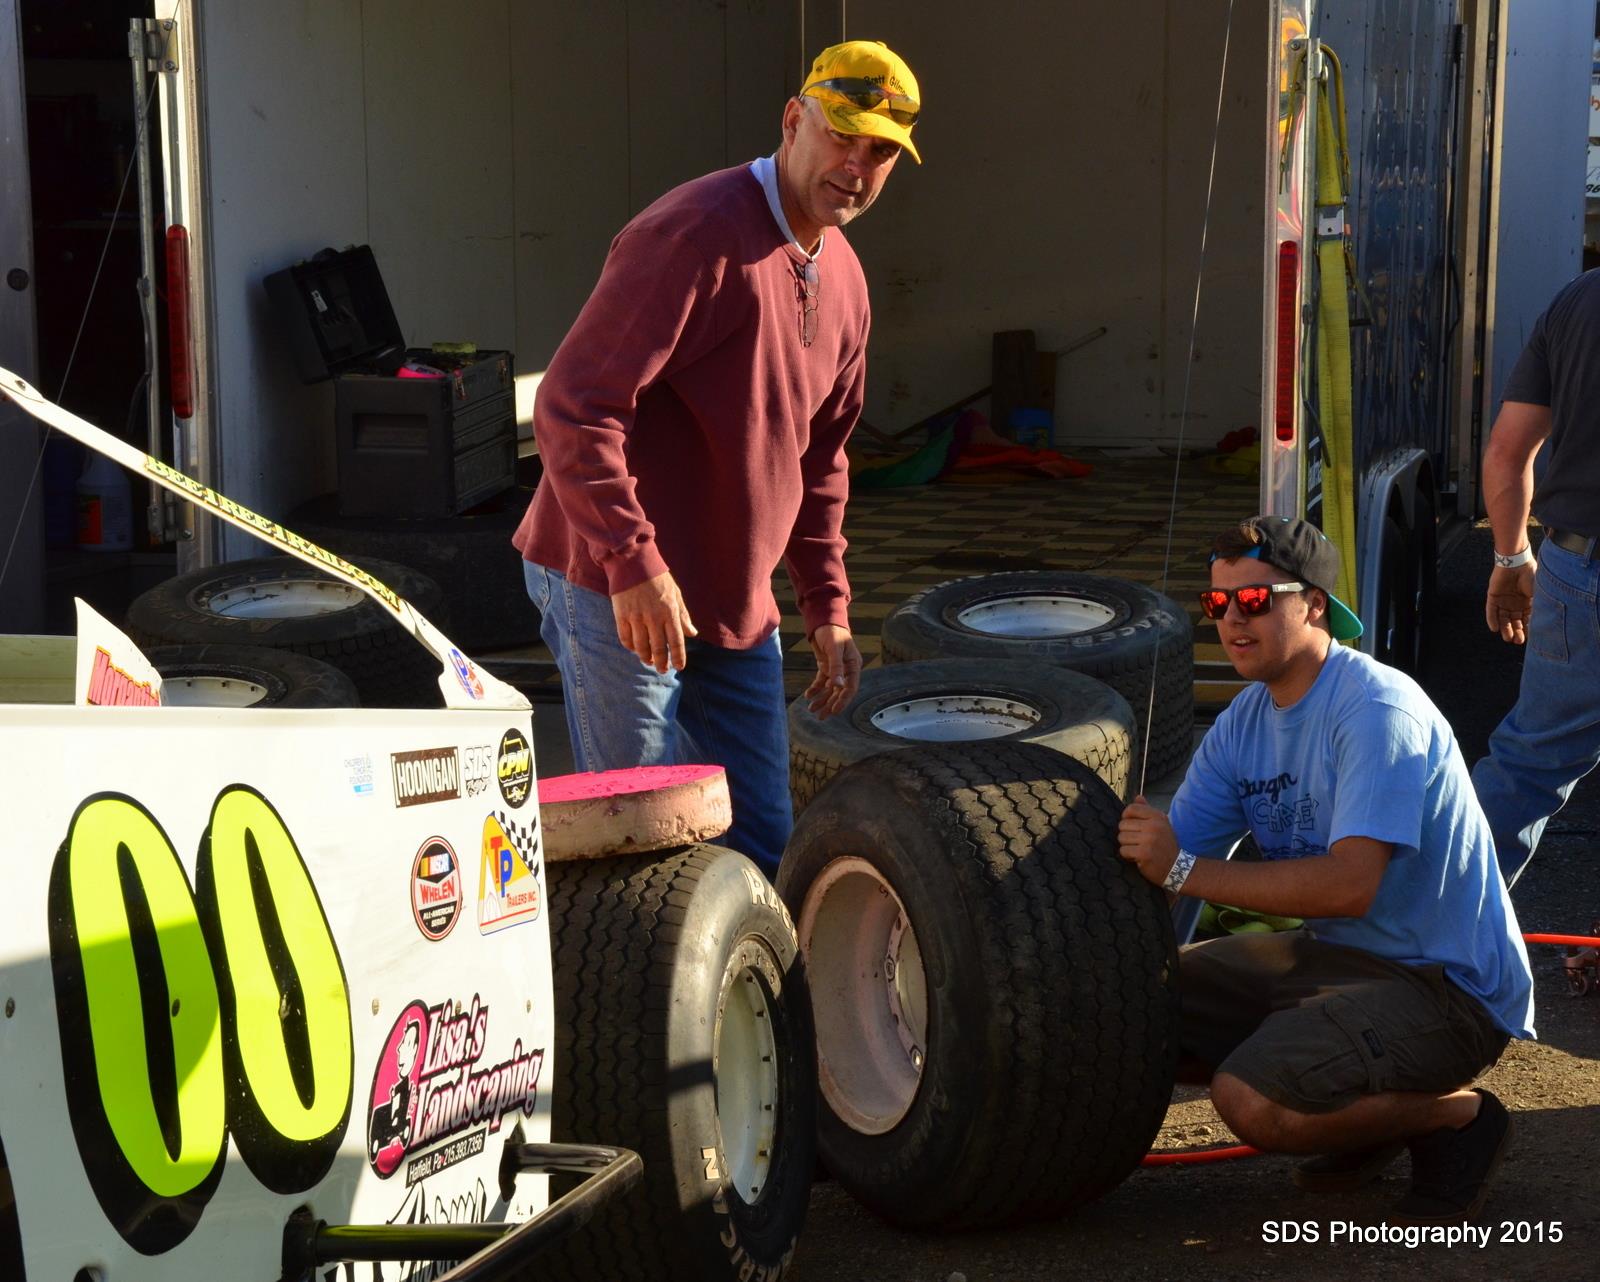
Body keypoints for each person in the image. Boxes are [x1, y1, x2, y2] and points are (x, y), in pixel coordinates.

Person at [512, 41, 922, 876]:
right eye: (842, 134)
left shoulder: (843, 275)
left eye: (880, 150)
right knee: (643, 843)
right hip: (614, 586)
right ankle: (629, 1002)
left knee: (761, 840)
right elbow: (571, 406)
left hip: (735, 607)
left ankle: (753, 1003)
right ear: (793, 120)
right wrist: (632, 562)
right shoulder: (693, 234)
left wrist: (829, 605)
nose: (856, 164)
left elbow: (824, 459)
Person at [1118, 516, 1534, 1224]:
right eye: (1217, 604)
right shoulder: (1242, 725)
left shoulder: (1374, 707)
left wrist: (1184, 869)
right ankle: (1361, 1117)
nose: (1230, 621)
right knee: (1130, 1012)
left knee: (1250, 1099)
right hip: (1342, 965)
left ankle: (1452, 1119)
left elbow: (1348, 886)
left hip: (1448, 991)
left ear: (1313, 604)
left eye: (1254, 601)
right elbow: (1160, 873)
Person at [1470, 269, 1600, 888]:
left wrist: (1510, 556)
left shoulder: (1578, 297)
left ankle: (1426, 943)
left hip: (1578, 566)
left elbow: (1506, 449)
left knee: (1528, 764)